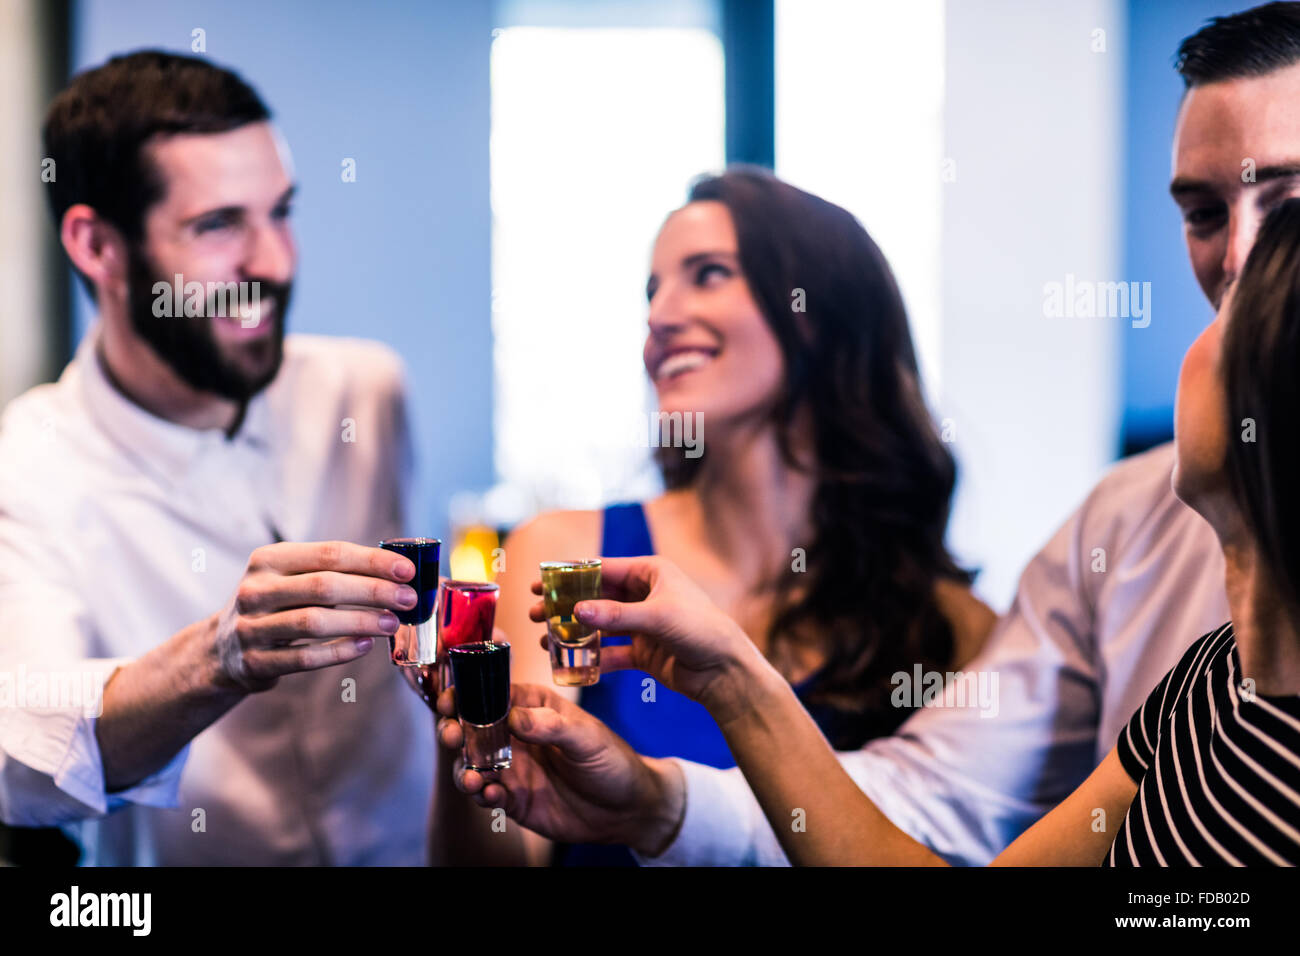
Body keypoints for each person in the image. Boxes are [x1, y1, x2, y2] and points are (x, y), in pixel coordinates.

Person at [441, 2, 1300, 865]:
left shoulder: (948, 622)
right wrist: (660, 782)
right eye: (1203, 215)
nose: (1240, 260)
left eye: (1289, 206)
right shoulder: (1180, 665)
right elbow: (930, 805)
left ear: (820, 318)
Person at [482, 167, 995, 865]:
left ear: (818, 312)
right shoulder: (567, 559)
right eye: (653, 290)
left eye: (710, 274)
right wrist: (472, 758)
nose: (659, 317)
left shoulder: (955, 627)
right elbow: (505, 850)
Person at [0, 51, 433, 865]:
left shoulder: (366, 391)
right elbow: (22, 762)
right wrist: (219, 656)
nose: (272, 262)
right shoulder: (30, 466)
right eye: (219, 225)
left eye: (282, 212)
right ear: (97, 245)